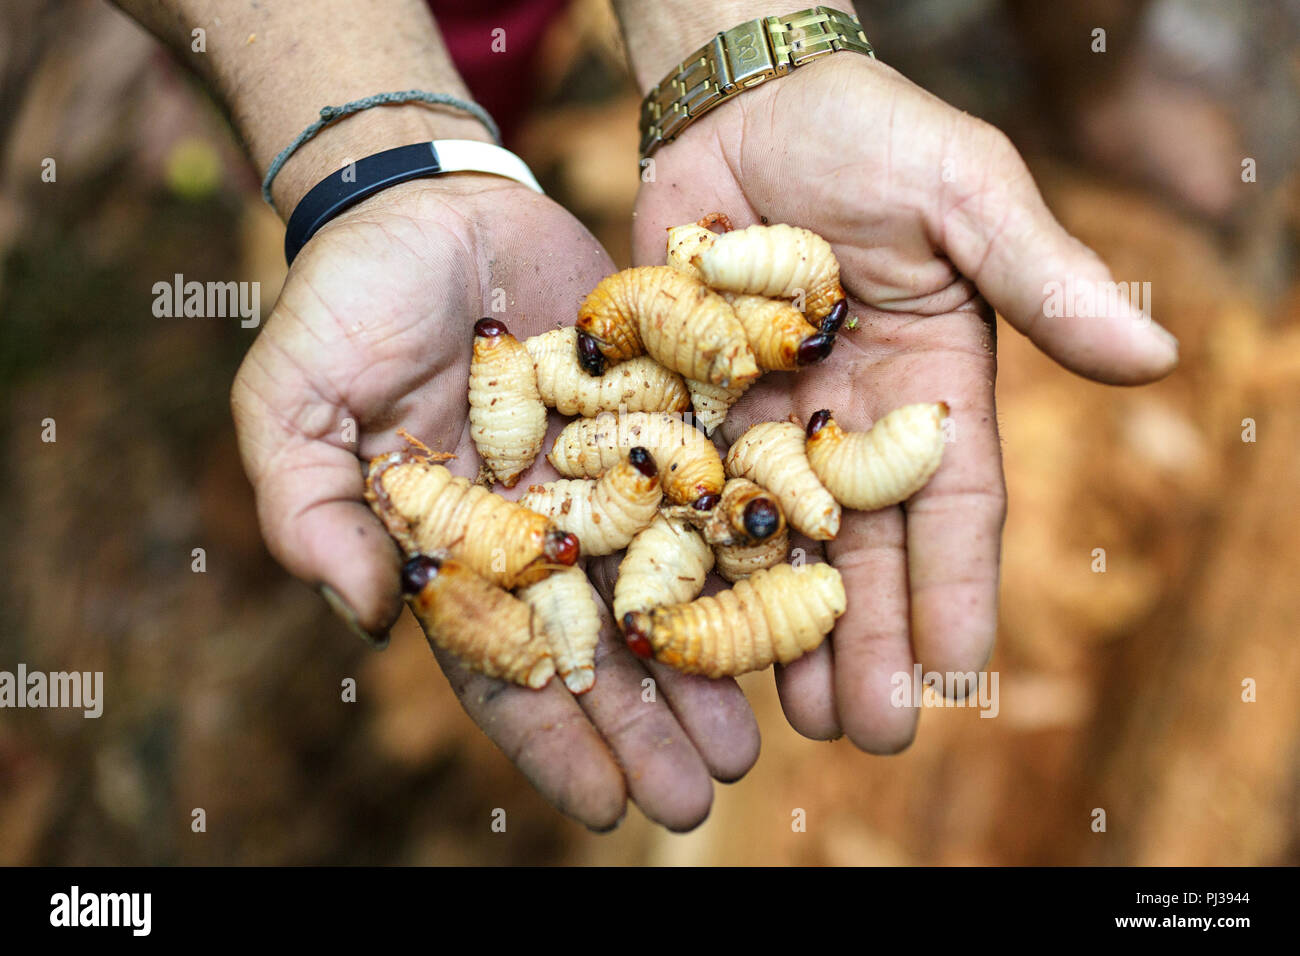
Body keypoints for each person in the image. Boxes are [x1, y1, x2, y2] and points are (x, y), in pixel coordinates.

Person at [114, 0, 1178, 832]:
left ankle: (1093, 74)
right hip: (634, 440)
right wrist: (374, 144)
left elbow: (695, 403)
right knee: (458, 45)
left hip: (655, 438)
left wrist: (737, 36)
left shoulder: (702, 409)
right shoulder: (652, 418)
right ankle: (290, 102)